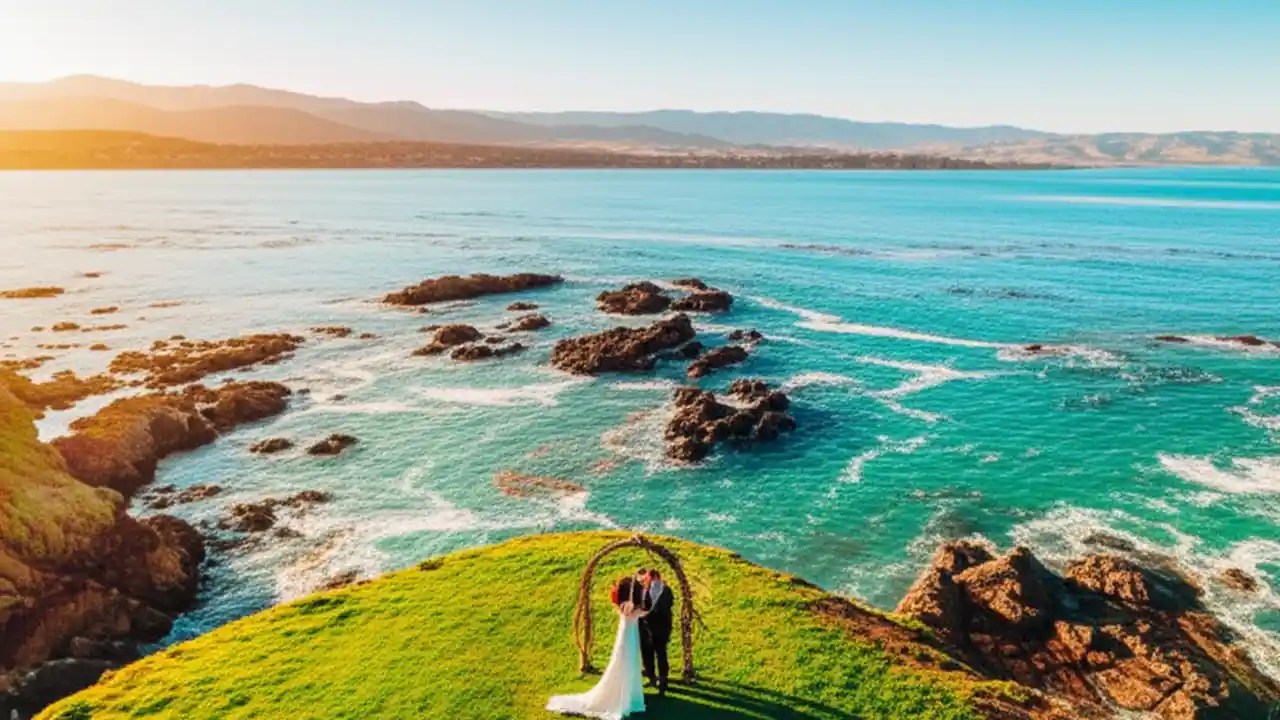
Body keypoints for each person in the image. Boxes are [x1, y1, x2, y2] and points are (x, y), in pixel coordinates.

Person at [546, 576, 648, 719]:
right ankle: (622, 697)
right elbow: (639, 613)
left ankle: (627, 695)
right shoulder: (628, 606)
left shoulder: (624, 605)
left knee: (627, 664)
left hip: (628, 637)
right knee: (626, 663)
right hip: (628, 638)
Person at [637, 568, 674, 695]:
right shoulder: (646, 590)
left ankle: (662, 680)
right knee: (650, 654)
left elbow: (665, 608)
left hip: (659, 628)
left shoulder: (665, 590)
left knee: (660, 654)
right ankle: (652, 677)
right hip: (648, 628)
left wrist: (649, 613)